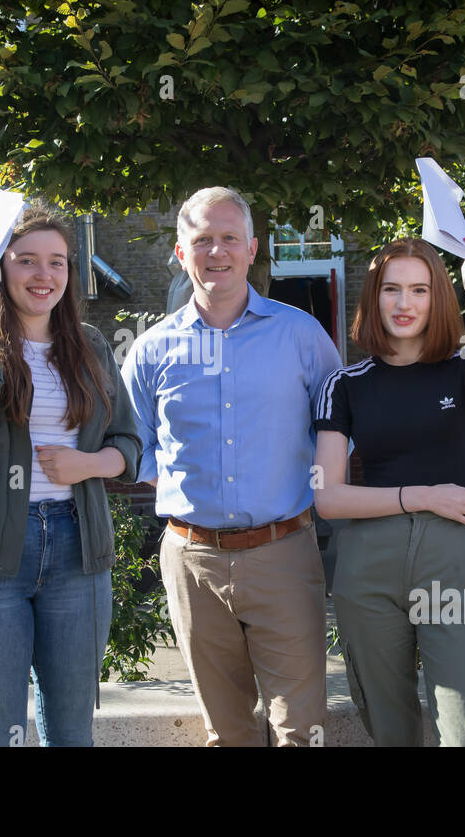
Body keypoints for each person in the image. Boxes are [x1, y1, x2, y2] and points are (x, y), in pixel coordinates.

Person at [121, 186, 342, 746]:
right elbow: (134, 442)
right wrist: (183, 486)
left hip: (283, 554)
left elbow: (337, 429)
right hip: (191, 560)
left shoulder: (301, 335)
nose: (215, 252)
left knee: (301, 728)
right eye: (202, 241)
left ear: (252, 249)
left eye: (228, 239)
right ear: (180, 253)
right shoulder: (151, 350)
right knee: (228, 733)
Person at [0, 208, 141, 747]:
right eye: (25, 261)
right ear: (2, 265)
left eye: (57, 262)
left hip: (77, 550)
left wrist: (89, 465)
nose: (43, 275)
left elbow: (129, 444)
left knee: (72, 730)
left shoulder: (90, 346)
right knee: (1, 731)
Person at [313, 236, 465, 746]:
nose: (404, 304)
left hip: (453, 564)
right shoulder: (345, 384)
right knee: (390, 730)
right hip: (368, 569)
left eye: (420, 290)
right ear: (374, 297)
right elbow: (329, 496)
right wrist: (423, 495)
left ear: (438, 299)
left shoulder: (464, 368)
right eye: (392, 289)